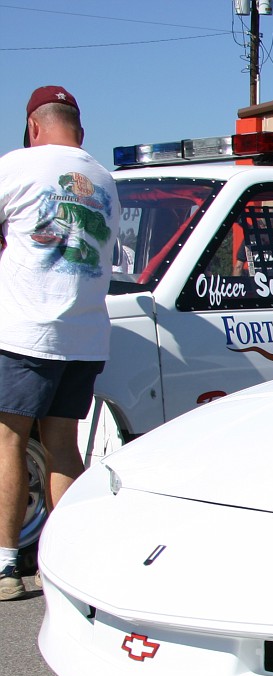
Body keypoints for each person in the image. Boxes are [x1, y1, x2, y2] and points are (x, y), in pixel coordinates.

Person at [0, 86, 119, 598]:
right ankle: (61, 564)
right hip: (85, 335)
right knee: (61, 446)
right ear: (80, 131)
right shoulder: (105, 181)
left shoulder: (18, 166)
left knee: (7, 442)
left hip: (28, 332)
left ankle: (6, 565)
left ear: (33, 126)